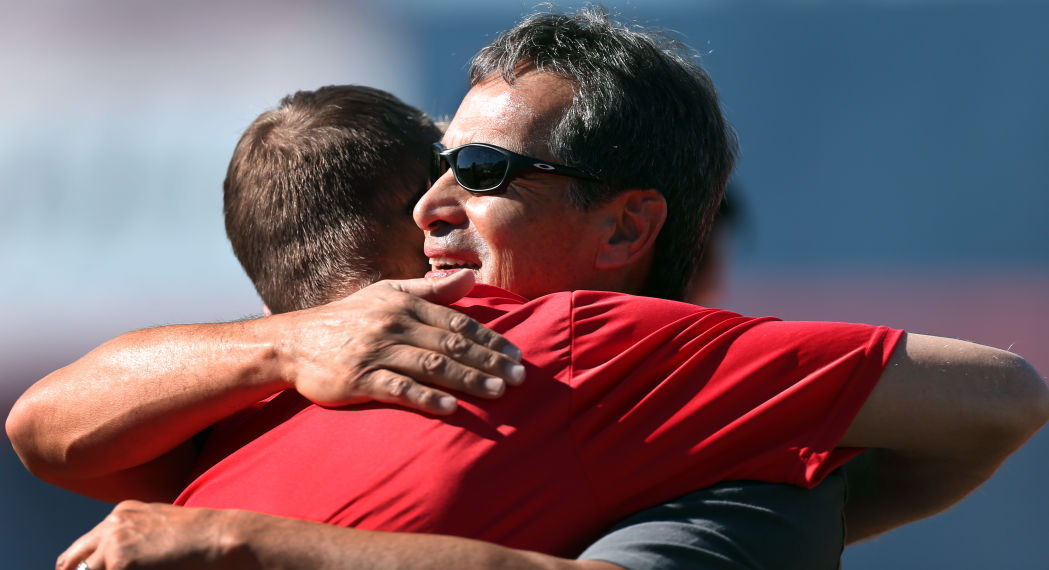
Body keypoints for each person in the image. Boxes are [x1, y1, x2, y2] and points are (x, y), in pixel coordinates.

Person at [10, 6, 1049, 569]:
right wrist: (290, 344)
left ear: (625, 227)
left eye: (482, 172)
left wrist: (819, 488)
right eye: (436, 168)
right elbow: (43, 425)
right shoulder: (343, 347)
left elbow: (1004, 394)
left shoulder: (599, 342)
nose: (433, 204)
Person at [10, 83, 846, 569]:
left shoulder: (210, 430)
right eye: (466, 181)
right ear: (431, 233)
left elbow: (41, 427)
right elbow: (974, 401)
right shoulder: (554, 356)